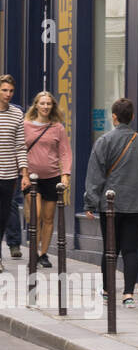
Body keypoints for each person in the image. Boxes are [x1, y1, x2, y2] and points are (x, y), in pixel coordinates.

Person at [84, 98, 138, 309]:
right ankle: (128, 294)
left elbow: (94, 175)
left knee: (110, 249)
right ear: (132, 117)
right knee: (131, 250)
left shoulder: (104, 141)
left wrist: (90, 202)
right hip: (136, 205)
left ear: (113, 117)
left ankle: (107, 291)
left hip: (111, 205)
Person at [23, 91, 72, 268]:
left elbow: (65, 152)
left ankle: (43, 253)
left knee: (49, 218)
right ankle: (33, 253)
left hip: (52, 177)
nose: (45, 107)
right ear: (36, 105)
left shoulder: (57, 127)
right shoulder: (25, 125)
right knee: (36, 216)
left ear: (52, 106)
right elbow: (19, 150)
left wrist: (65, 175)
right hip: (31, 179)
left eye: (48, 104)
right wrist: (23, 174)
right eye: (42, 103)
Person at [0, 75, 30, 271]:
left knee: (3, 217)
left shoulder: (17, 114)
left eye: (11, 91)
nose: (8, 94)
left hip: (9, 175)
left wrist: (25, 174)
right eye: (4, 90)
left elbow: (20, 146)